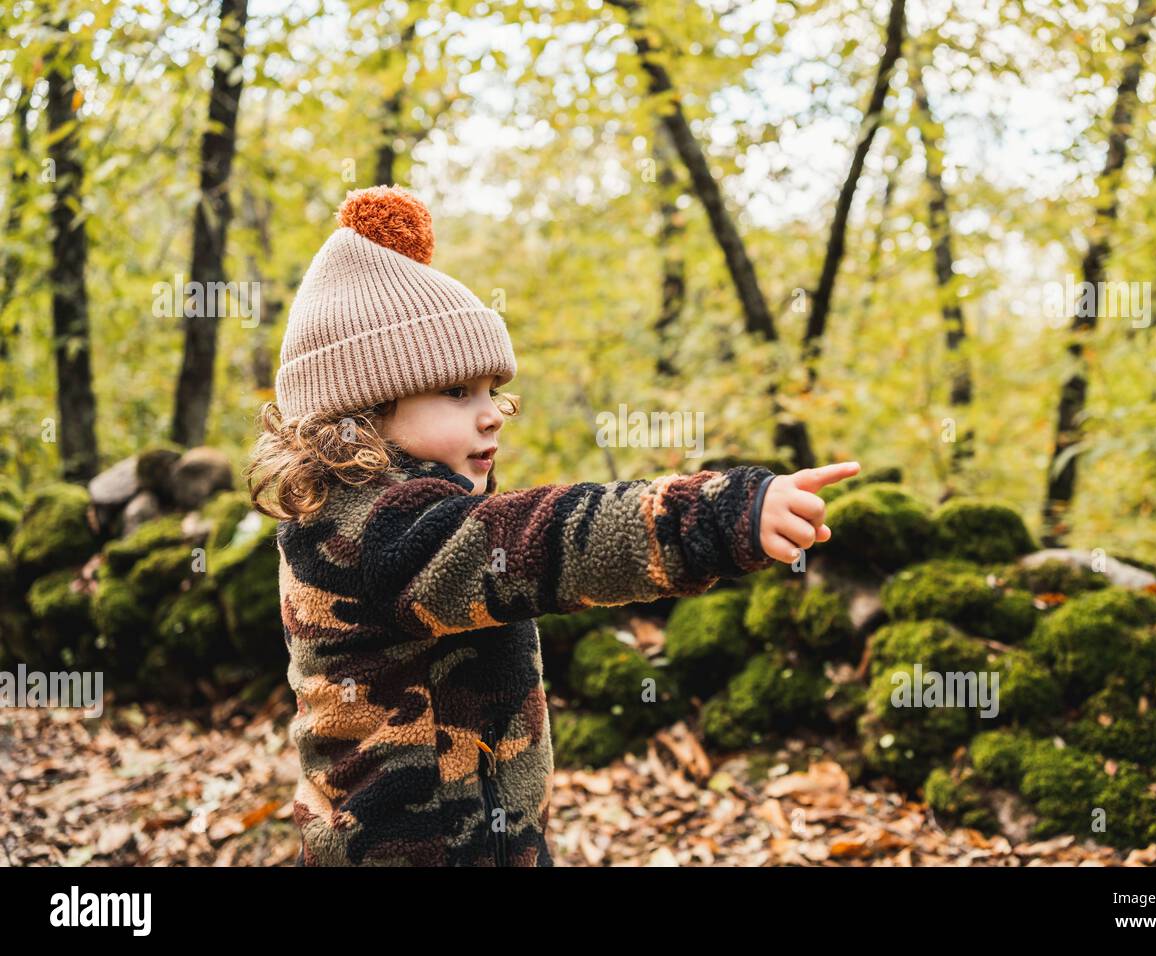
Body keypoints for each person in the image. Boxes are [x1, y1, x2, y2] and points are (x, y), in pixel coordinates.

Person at [246, 184, 859, 866]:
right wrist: (714, 513)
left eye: (492, 392)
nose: (491, 415)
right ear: (365, 409)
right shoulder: (381, 530)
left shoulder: (385, 510)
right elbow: (547, 541)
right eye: (455, 392)